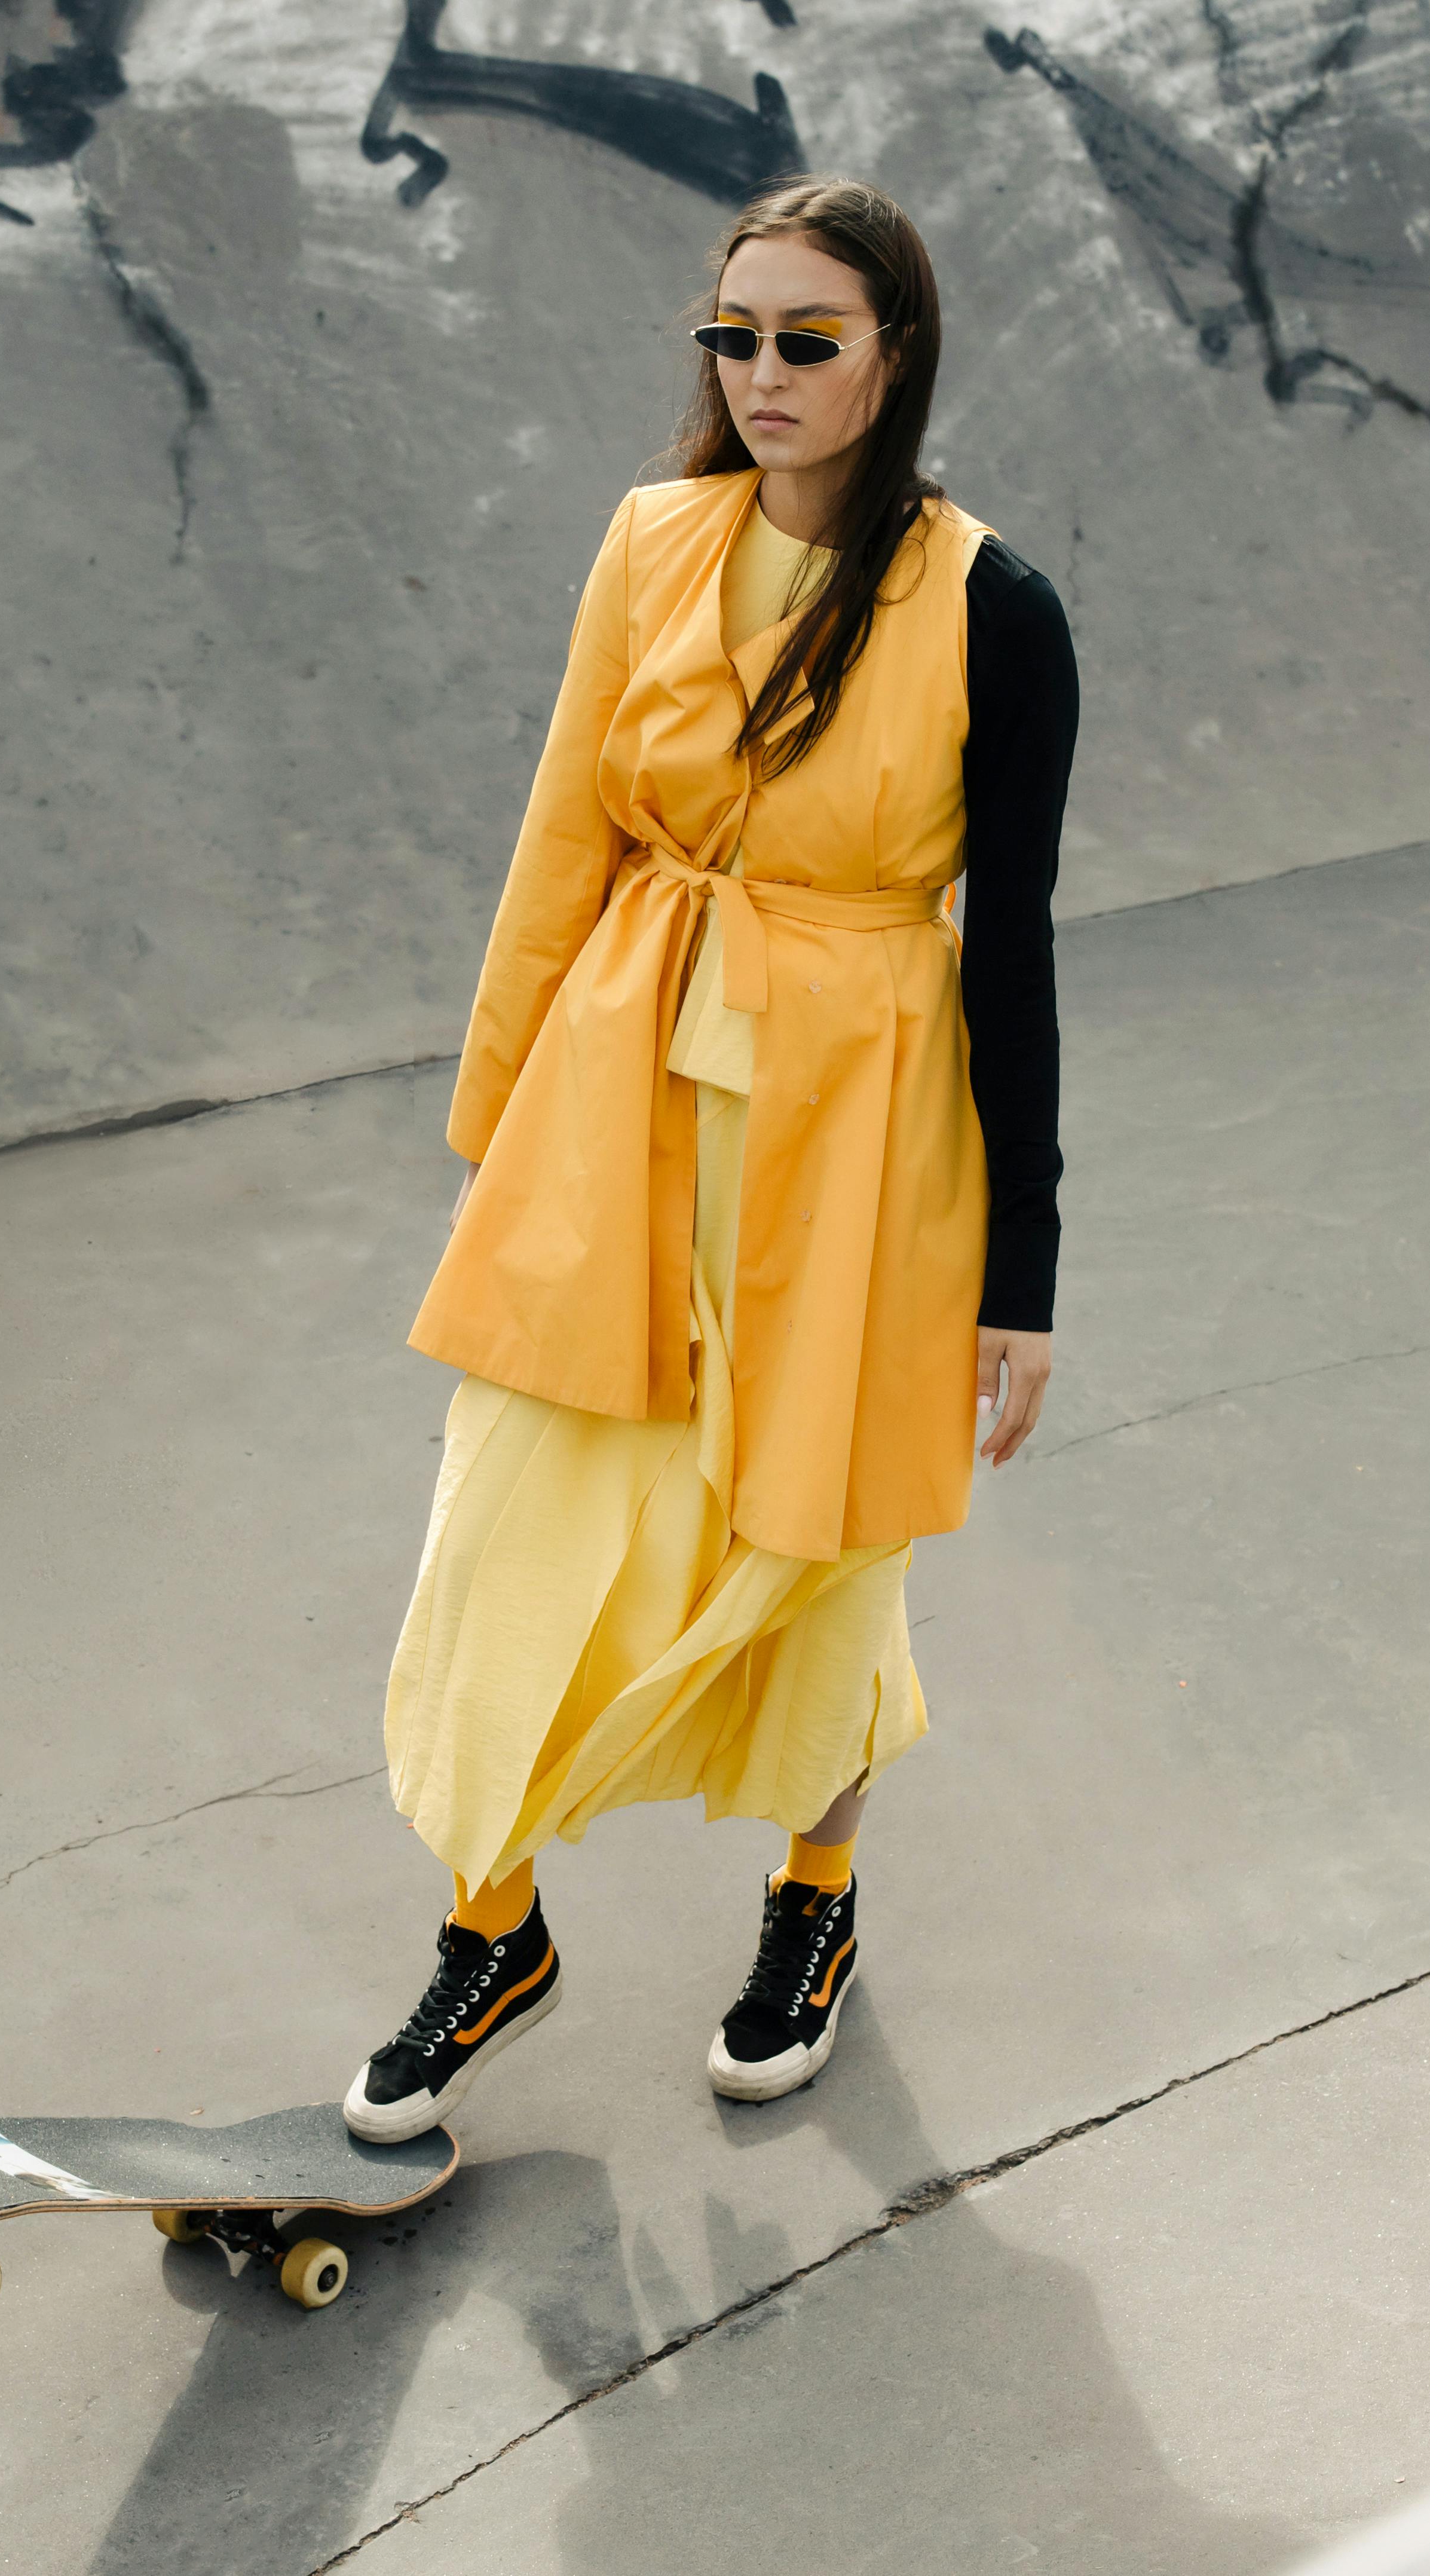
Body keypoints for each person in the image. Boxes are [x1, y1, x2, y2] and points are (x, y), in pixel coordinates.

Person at [344, 175, 1079, 2143]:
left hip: (857, 1131)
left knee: (815, 1537)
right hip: (617, 1092)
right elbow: (560, 838)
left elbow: (1006, 949)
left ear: (893, 356)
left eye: (806, 340)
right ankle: (490, 1930)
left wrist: (1020, 1274)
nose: (762, 373)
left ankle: (813, 1901)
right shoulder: (651, 541)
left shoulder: (991, 608)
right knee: (510, 1524)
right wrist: (496, 1121)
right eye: (732, 336)